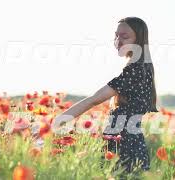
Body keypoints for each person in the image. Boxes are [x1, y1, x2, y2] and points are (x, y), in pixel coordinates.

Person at [52, 16, 158, 175]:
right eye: (116, 35)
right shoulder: (143, 67)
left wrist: (56, 122)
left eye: (125, 36)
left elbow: (94, 100)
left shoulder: (134, 71)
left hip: (124, 145)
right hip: (131, 143)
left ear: (139, 40)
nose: (118, 40)